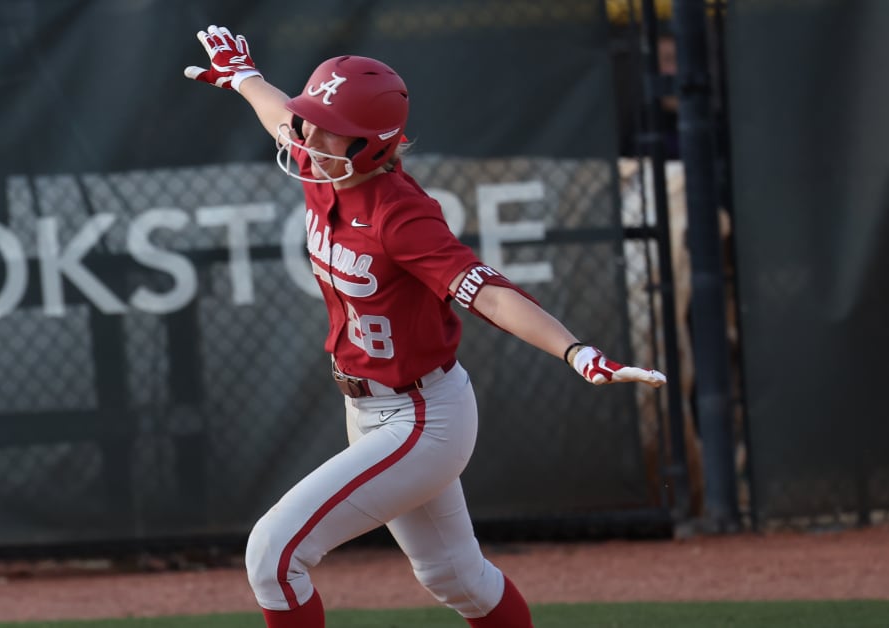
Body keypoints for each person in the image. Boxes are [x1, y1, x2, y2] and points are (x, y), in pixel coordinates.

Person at [183, 25, 667, 628]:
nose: (307, 133)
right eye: (312, 119)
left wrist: (573, 351)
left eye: (327, 125)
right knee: (455, 577)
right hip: (369, 409)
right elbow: (281, 115)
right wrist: (244, 77)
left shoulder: (398, 213)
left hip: (421, 418)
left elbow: (486, 293)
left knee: (273, 555)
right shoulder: (325, 166)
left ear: (372, 144)